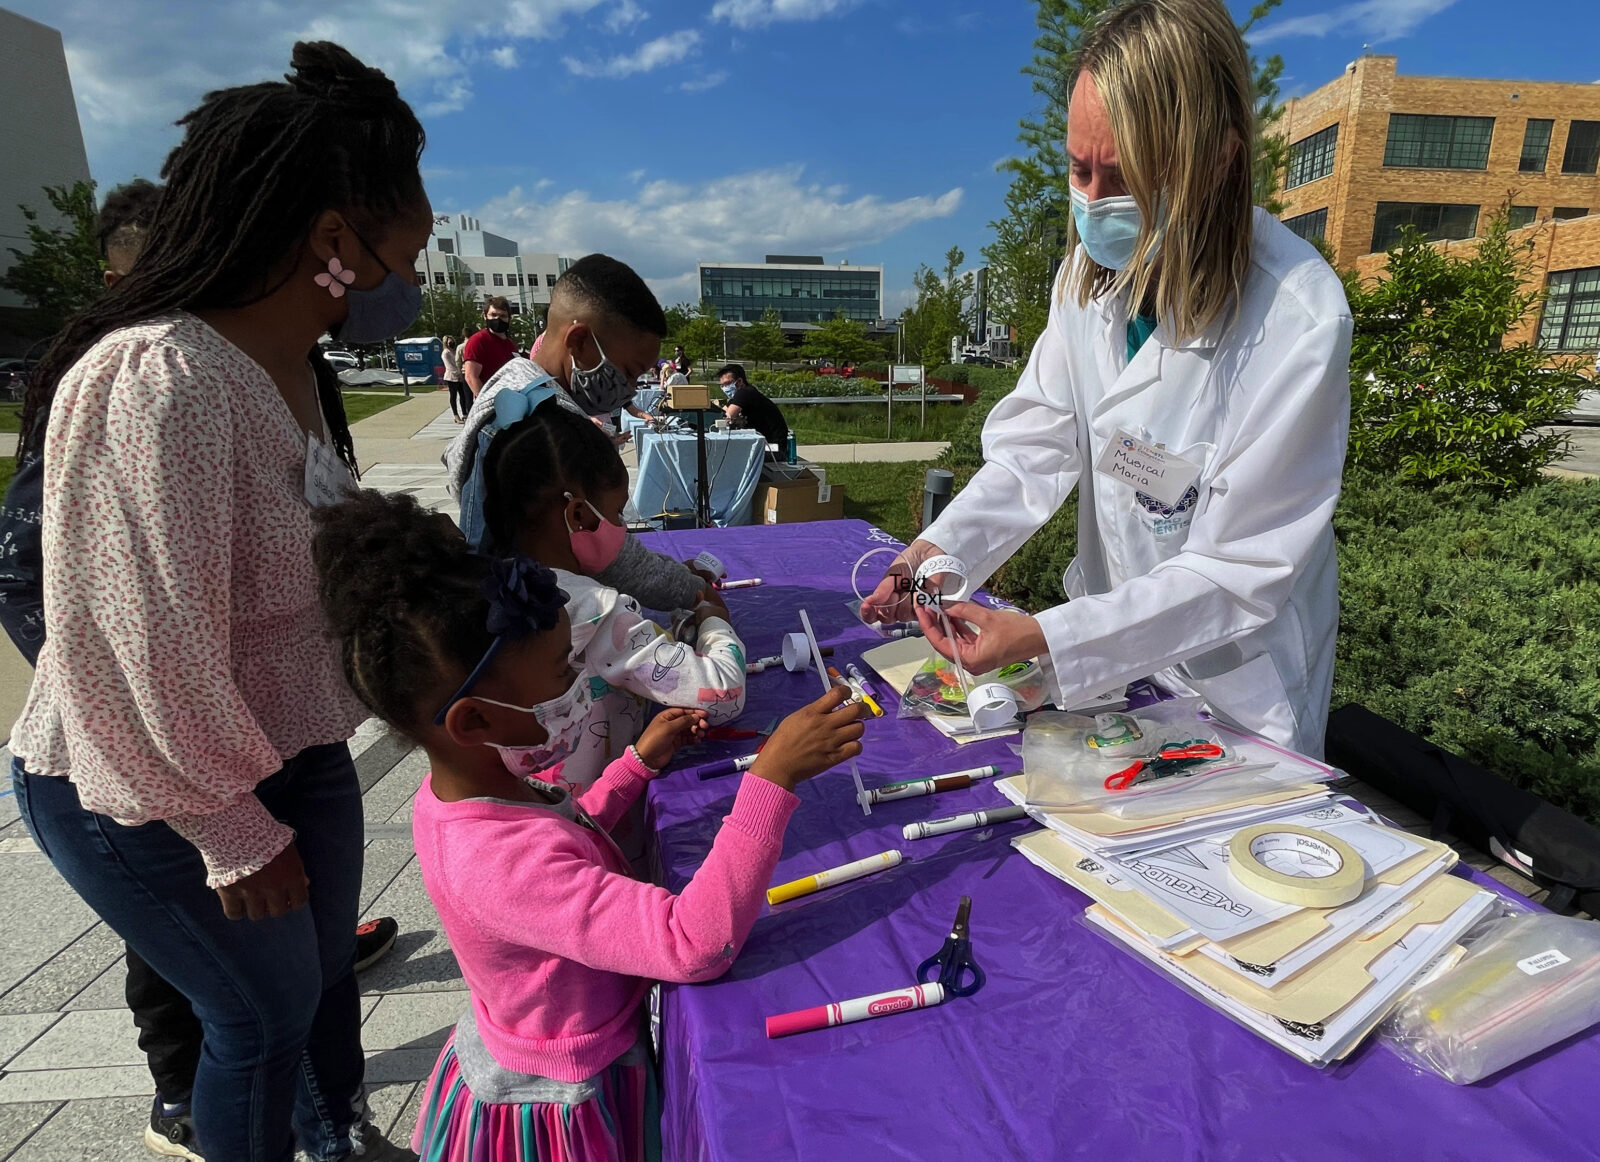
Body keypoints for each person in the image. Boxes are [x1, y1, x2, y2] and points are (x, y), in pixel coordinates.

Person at [7, 42, 429, 1161]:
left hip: (287, 743)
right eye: (410, 249)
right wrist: (234, 834)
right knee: (256, 1017)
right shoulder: (163, 381)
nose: (411, 282)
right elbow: (147, 649)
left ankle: (332, 1136)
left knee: (317, 983)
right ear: (336, 242)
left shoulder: (289, 368)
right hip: (156, 778)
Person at [309, 488, 866, 1162]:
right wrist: (769, 783)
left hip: (564, 1049)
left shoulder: (467, 795)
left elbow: (564, 840)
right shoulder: (497, 863)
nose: (579, 683)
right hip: (562, 1105)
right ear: (475, 721)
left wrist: (633, 765)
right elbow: (695, 942)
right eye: (561, 672)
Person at [861, 0, 1351, 758]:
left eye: (1120, 178)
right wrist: (935, 552)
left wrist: (1047, 636)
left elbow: (1236, 573)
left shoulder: (1297, 316)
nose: (1091, 203)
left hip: (1239, 686)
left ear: (1216, 160)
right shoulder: (1087, 283)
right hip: (1113, 669)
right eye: (1078, 168)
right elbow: (1033, 451)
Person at [481, 398, 747, 790]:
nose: (621, 528)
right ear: (579, 515)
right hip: (595, 811)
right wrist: (713, 621)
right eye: (618, 513)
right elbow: (724, 692)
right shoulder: (594, 610)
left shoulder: (492, 583)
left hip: (528, 793)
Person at [445, 255, 721, 605]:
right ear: (578, 341)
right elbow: (607, 552)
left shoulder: (515, 388)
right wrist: (692, 591)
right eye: (629, 371)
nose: (631, 389)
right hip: (521, 622)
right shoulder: (539, 427)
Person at [718, 363, 788, 454]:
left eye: (727, 384)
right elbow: (724, 411)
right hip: (765, 445)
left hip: (773, 448)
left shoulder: (745, 392)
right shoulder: (740, 396)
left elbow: (727, 417)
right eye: (722, 385)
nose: (725, 388)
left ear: (739, 381)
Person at [462, 297, 517, 396]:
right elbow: (471, 377)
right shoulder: (478, 341)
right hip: (491, 403)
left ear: (509, 319)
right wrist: (486, 402)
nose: (498, 319)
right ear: (485, 316)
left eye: (503, 316)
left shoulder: (511, 345)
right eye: (493, 315)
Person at [442, 330, 469, 423]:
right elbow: (450, 365)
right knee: (453, 396)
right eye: (449, 342)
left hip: (459, 376)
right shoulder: (446, 353)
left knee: (463, 395)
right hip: (451, 376)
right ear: (446, 343)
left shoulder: (454, 351)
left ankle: (465, 413)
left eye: (452, 341)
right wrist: (459, 373)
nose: (452, 343)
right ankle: (456, 415)